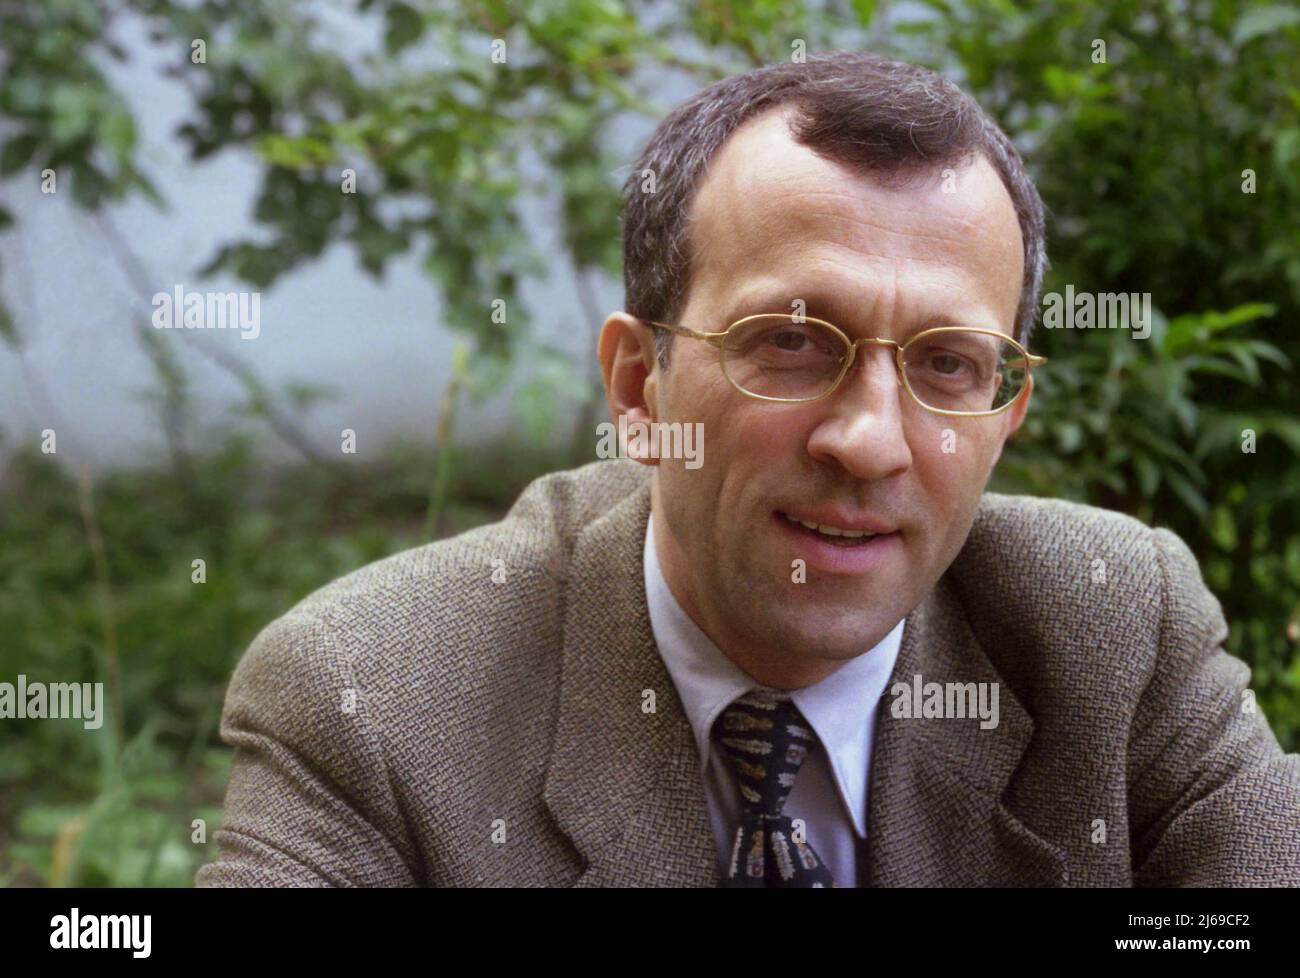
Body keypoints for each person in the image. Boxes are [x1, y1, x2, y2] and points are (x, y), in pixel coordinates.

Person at [196, 51, 1300, 888]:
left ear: (1008, 405)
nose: (868, 441)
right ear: (638, 388)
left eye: (948, 364)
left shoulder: (1114, 627)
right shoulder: (373, 698)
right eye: (791, 343)